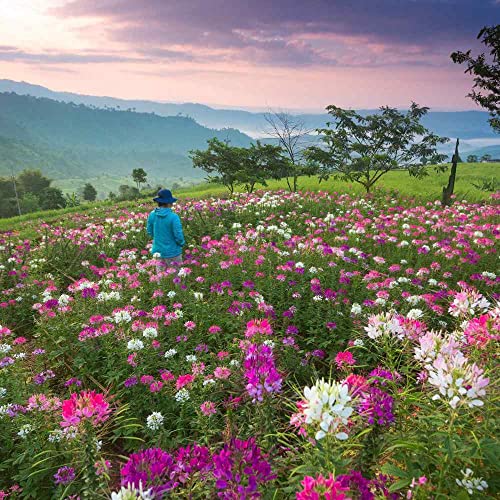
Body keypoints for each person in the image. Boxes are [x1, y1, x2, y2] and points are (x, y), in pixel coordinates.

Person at [146, 189, 185, 267]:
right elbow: (178, 235)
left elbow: (149, 231)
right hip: (173, 252)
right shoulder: (173, 217)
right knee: (175, 277)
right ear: (169, 202)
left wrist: (159, 238)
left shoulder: (152, 215)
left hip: (158, 252)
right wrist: (181, 243)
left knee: (162, 277)